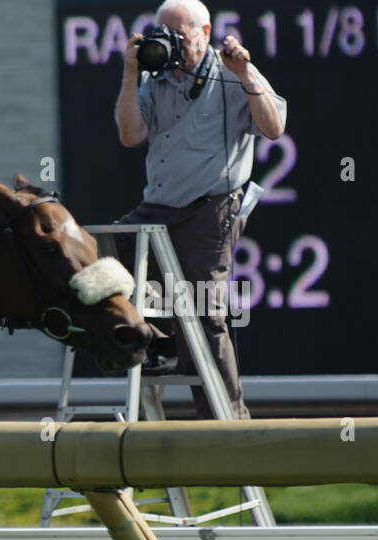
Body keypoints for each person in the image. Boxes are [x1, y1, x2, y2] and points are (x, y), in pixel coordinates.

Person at [115, 0, 287, 419]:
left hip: (213, 206)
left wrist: (245, 73)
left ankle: (226, 421)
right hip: (158, 206)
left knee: (205, 311)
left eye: (180, 34)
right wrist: (131, 71)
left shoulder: (233, 71)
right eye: (163, 34)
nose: (171, 44)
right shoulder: (154, 79)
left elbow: (273, 128)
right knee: (109, 251)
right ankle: (162, 342)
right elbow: (130, 136)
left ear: (205, 32)